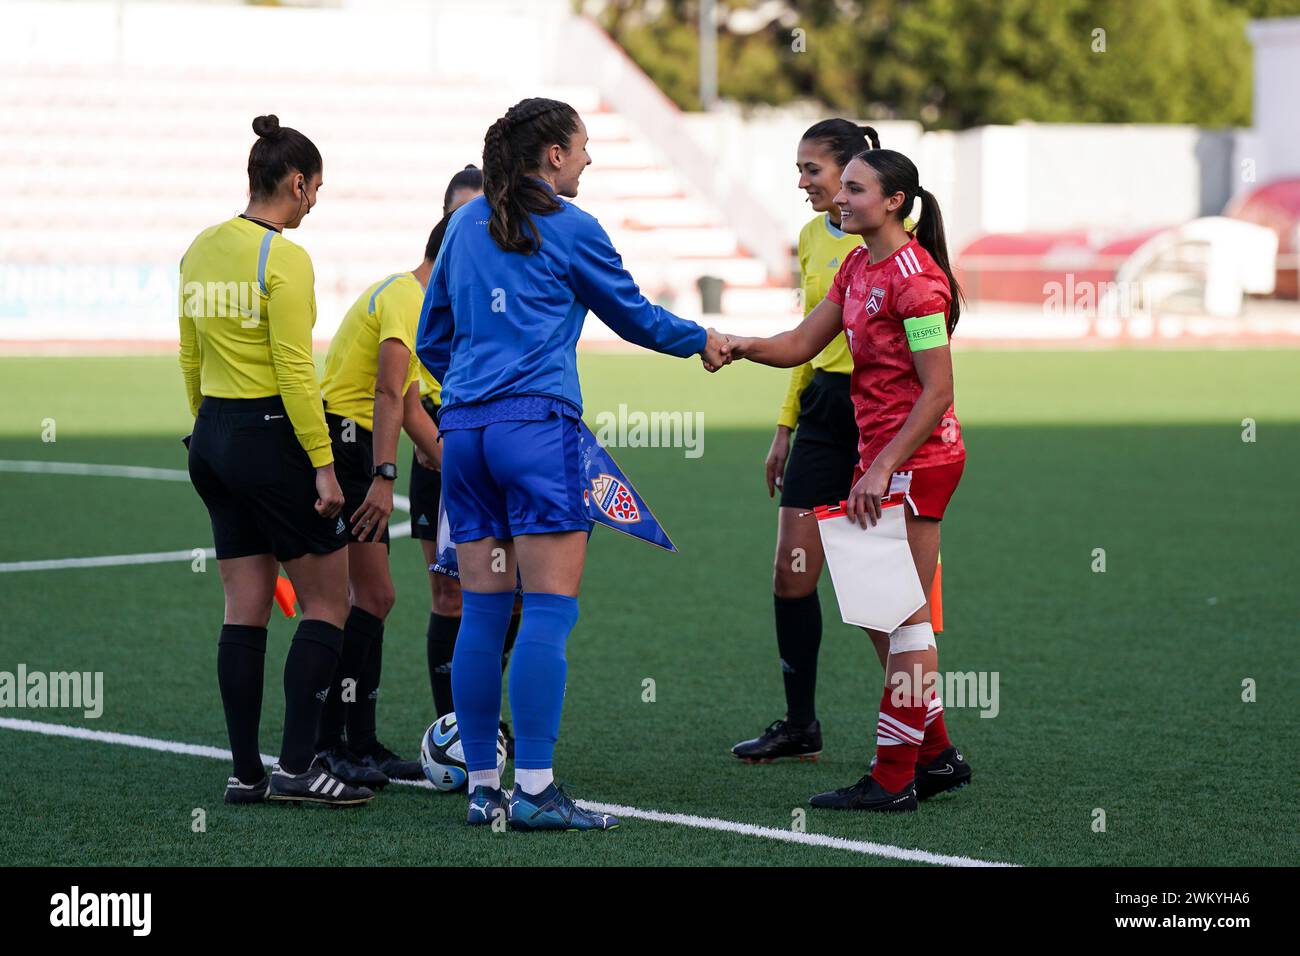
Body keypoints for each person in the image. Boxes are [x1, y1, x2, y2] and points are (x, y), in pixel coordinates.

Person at [417, 97, 730, 831]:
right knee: (549, 613)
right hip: (536, 435)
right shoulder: (572, 227)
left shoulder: (462, 226)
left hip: (462, 436)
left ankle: (482, 790)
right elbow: (636, 316)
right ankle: (535, 790)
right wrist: (704, 341)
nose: (589, 159)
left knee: (485, 611)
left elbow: (433, 339)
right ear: (553, 154)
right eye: (583, 147)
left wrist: (473, 385)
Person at [726, 148, 972, 811]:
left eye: (854, 189)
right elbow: (804, 342)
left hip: (917, 462)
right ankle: (938, 756)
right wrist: (740, 344)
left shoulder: (917, 281)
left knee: (905, 623)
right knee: (882, 615)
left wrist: (886, 465)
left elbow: (938, 391)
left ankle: (893, 780)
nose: (840, 197)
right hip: (882, 459)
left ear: (892, 201)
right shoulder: (862, 265)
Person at [179, 114, 373, 807]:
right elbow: (295, 371)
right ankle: (296, 769)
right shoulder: (285, 258)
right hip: (270, 435)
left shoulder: (200, 248)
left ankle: (244, 773)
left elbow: (189, 355)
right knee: (328, 601)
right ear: (296, 183)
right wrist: (323, 464)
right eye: (315, 189)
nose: (314, 201)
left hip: (214, 435)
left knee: (244, 608)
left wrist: (202, 429)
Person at [732, 119, 890, 765]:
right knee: (792, 572)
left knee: (875, 586)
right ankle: (800, 725)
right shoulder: (811, 239)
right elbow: (807, 338)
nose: (802, 183)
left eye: (812, 171)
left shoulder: (895, 249)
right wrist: (784, 427)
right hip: (822, 410)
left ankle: (922, 736)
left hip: (875, 414)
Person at [313, 227, 447, 785]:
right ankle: (328, 745)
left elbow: (411, 404)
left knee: (373, 596)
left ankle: (360, 743)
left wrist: (451, 463)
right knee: (359, 598)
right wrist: (384, 474)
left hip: (361, 443)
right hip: (347, 444)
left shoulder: (414, 299)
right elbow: (387, 395)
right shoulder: (407, 298)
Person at [410, 166, 519, 757]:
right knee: (450, 597)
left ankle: (490, 715)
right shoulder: (425, 287)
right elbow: (408, 381)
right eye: (458, 215)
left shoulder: (511, 274)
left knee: (518, 592)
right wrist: (440, 442)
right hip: (444, 454)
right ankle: (453, 731)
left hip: (502, 446)